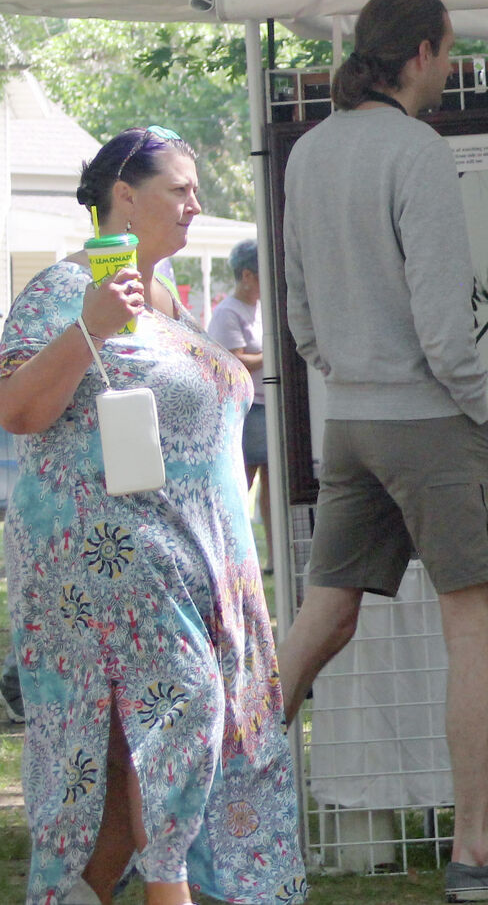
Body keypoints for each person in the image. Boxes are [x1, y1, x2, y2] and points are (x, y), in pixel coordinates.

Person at [271, 0, 488, 902]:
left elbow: (298, 308)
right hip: (429, 415)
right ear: (424, 52)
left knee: (325, 612)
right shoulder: (419, 151)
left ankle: (216, 783)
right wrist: (477, 412)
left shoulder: (308, 151)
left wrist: (345, 371)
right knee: (470, 618)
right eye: (450, 51)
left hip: (345, 415)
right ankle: (474, 852)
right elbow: (445, 320)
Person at [1, 127, 306, 905]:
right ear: (124, 199)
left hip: (192, 563)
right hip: (114, 572)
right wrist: (89, 326)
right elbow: (18, 406)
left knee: (119, 782)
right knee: (175, 730)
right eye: (179, 188)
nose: (196, 204)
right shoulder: (62, 291)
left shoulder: (167, 296)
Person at [206, 238, 273, 564]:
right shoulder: (227, 313)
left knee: (272, 487)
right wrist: (272, 356)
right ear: (247, 275)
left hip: (266, 406)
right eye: (263, 273)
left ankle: (274, 557)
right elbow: (234, 361)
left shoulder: (260, 307)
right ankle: (231, 557)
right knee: (240, 484)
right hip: (244, 410)